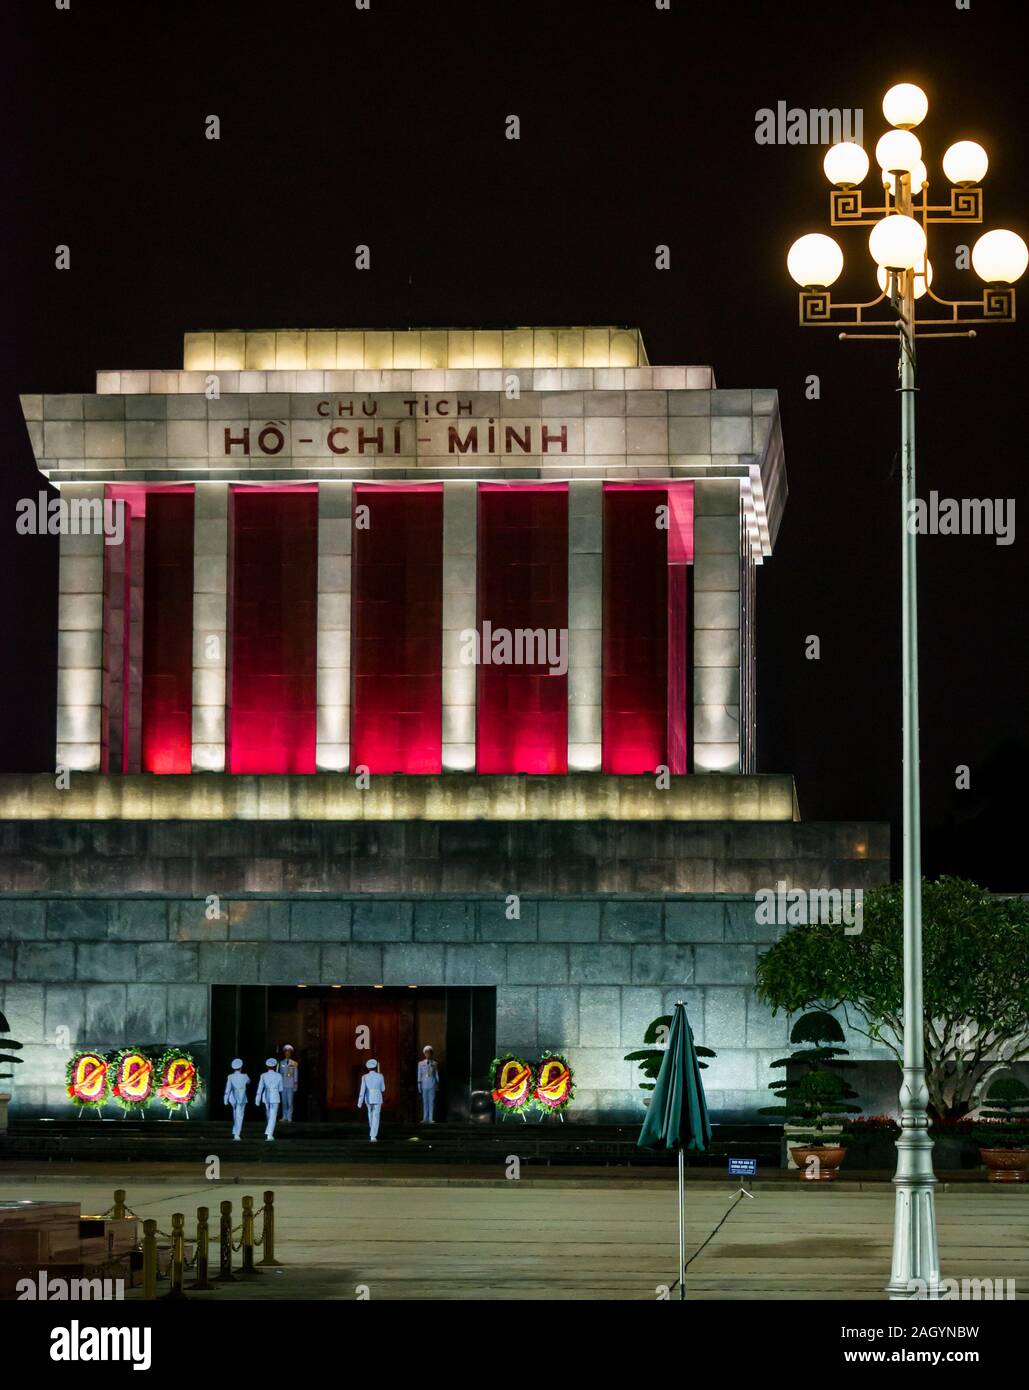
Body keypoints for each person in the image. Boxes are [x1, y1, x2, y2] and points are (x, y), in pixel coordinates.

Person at [255, 1057, 284, 1142]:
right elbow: (281, 1089)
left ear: (267, 1066)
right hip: (275, 1096)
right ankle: (269, 1134)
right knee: (272, 1116)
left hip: (266, 1096)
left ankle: (269, 1133)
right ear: (274, 1066)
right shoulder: (279, 1075)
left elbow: (260, 1088)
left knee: (269, 1115)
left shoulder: (263, 1075)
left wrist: (257, 1099)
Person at [357, 1058, 385, 1141]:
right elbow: (383, 1089)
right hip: (377, 1097)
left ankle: (372, 1133)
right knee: (376, 1116)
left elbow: (362, 1090)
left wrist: (360, 1102)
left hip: (368, 1098)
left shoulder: (364, 1077)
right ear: (375, 1067)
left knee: (370, 1115)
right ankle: (373, 1135)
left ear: (368, 1068)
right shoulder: (380, 1076)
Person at [223, 1059, 249, 1141]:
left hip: (233, 1097)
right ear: (241, 1067)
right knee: (239, 1116)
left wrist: (225, 1099)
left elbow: (228, 1089)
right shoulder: (245, 1076)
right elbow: (249, 1081)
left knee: (236, 1115)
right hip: (242, 1097)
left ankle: (235, 1131)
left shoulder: (230, 1076)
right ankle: (237, 1134)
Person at [417, 1045, 439, 1123]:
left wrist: (437, 1083)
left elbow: (436, 1074)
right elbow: (419, 1074)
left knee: (431, 1101)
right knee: (425, 1101)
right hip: (424, 1084)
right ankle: (425, 1118)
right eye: (426, 1053)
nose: (428, 1054)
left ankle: (430, 1118)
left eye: (429, 1053)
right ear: (424, 1054)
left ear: (431, 1054)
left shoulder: (435, 1063)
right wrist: (419, 1084)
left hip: (432, 1083)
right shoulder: (420, 1063)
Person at [278, 1044, 300, 1122]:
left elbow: (295, 1074)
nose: (287, 1054)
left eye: (289, 1052)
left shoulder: (294, 1063)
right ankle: (284, 1116)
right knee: (284, 1102)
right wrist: (279, 1084)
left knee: (290, 1102)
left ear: (290, 1054)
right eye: (286, 1052)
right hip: (283, 1084)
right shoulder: (281, 1063)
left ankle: (289, 1117)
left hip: (291, 1084)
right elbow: (280, 1074)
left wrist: (295, 1084)